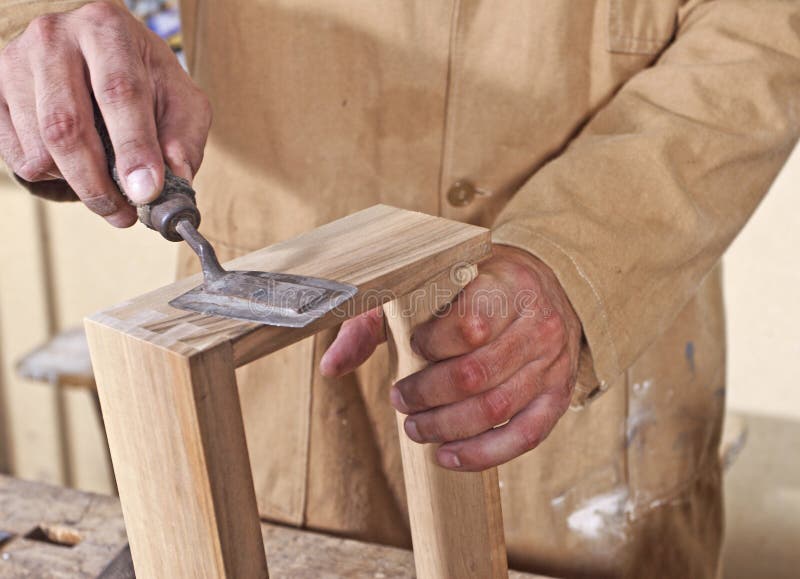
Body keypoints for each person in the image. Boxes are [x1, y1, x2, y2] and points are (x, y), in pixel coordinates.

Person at [1, 1, 798, 577]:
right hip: (281, 378)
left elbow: (766, 26)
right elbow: (37, 30)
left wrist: (578, 255)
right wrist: (42, 43)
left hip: (599, 351)